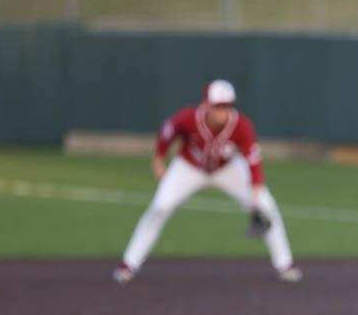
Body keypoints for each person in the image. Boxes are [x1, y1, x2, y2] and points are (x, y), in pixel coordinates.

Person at [113, 79, 302, 283]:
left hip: (227, 168)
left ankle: (285, 264)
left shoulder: (241, 125)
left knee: (266, 205)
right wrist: (159, 158)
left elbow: (253, 162)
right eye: (218, 106)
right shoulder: (189, 118)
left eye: (227, 106)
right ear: (206, 104)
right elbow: (167, 132)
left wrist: (255, 199)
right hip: (189, 167)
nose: (223, 111)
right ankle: (129, 264)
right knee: (160, 206)